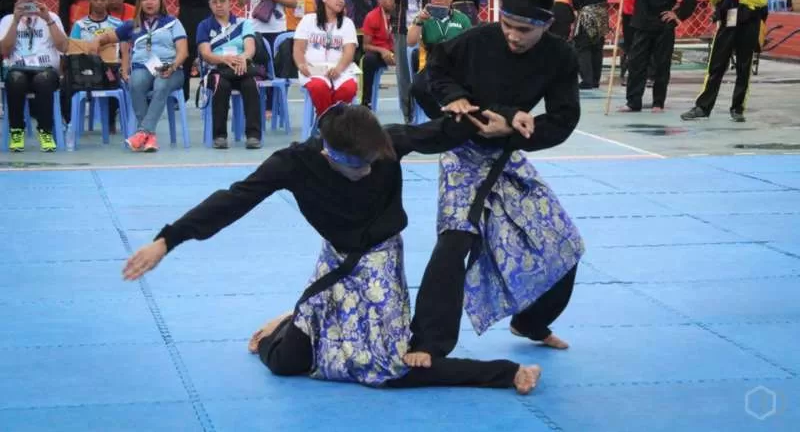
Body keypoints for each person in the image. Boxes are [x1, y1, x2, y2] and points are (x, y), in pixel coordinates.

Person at [121, 103, 542, 395]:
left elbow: (448, 129)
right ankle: (286, 324)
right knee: (287, 363)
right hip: (336, 260)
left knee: (386, 368)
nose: (365, 171)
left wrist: (506, 115)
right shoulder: (294, 164)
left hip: (378, 260)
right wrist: (167, 240)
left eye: (371, 162)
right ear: (328, 151)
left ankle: (505, 375)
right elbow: (234, 199)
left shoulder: (387, 144)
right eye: (354, 164)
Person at [403, 0, 585, 368]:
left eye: (524, 29)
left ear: (547, 25)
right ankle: (428, 342)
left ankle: (531, 322)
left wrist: (515, 132)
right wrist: (455, 100)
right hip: (463, 150)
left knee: (564, 243)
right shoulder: (475, 40)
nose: (513, 36)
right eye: (507, 25)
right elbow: (431, 76)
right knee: (456, 240)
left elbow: (564, 118)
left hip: (508, 152)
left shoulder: (560, 56)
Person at [681, 0, 767, 123]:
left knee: (743, 68)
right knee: (715, 66)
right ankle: (702, 107)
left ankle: (737, 108)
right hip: (727, 23)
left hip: (748, 24)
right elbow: (716, 0)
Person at [91, 0, 187, 152]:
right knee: (135, 82)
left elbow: (183, 52)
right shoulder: (132, 25)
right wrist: (97, 41)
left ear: (160, 1)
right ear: (139, 2)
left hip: (172, 68)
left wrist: (172, 67)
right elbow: (109, 37)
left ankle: (142, 132)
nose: (149, 2)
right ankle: (149, 137)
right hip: (143, 67)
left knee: (161, 83)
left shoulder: (173, 22)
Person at [614, 0, 697, 112]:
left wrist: (678, 15)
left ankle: (658, 102)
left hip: (663, 27)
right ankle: (633, 102)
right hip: (641, 25)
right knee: (636, 64)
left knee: (661, 66)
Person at [0, 0, 68, 152]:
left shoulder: (51, 17)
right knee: (15, 78)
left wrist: (48, 20)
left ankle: (45, 130)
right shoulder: (8, 20)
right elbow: (5, 51)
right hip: (18, 69)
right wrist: (16, 21)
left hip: (46, 71)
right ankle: (17, 130)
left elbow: (64, 46)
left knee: (43, 80)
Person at [378, 0, 440, 123]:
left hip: (427, 28)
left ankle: (432, 115)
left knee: (430, 72)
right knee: (404, 76)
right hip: (402, 28)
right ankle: (409, 117)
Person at [197, 0, 261, 149]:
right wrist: (224, 60)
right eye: (214, 2)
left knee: (250, 83)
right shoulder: (204, 26)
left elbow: (250, 48)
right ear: (210, 4)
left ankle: (253, 135)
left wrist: (242, 59)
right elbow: (206, 54)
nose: (219, 5)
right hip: (217, 69)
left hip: (241, 67)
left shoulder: (243, 23)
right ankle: (219, 136)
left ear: (229, 2)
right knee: (221, 85)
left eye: (222, 1)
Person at [407, 0, 472, 118]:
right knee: (417, 88)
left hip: (457, 65)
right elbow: (411, 42)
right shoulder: (423, 18)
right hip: (433, 64)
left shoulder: (462, 19)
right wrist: (418, 21)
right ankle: (439, 119)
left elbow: (471, 46)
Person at [65, 0, 125, 128]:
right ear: (88, 0)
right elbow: (73, 49)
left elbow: (125, 51)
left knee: (114, 77)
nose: (99, 3)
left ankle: (110, 119)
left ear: (108, 0)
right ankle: (70, 123)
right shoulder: (80, 25)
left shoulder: (118, 24)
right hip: (84, 70)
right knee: (65, 83)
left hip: (109, 69)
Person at [293, 0, 359, 116]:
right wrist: (301, 64)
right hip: (314, 69)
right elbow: (298, 48)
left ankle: (328, 124)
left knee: (349, 88)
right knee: (318, 87)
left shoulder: (347, 23)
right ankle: (329, 124)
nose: (341, 0)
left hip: (340, 69)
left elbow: (349, 52)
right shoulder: (308, 20)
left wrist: (339, 69)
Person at [175, 0, 221, 103]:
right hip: (186, 22)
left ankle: (215, 95)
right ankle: (182, 98)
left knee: (212, 60)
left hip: (207, 23)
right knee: (185, 61)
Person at [572, 0, 613, 90]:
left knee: (583, 46)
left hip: (588, 13)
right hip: (602, 12)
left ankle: (587, 80)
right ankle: (595, 79)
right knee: (597, 46)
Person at [360, 0, 396, 110]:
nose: (384, 1)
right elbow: (365, 46)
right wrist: (382, 50)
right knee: (368, 59)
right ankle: (366, 102)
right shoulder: (371, 16)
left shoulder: (402, 15)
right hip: (379, 54)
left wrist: (398, 53)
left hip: (398, 52)